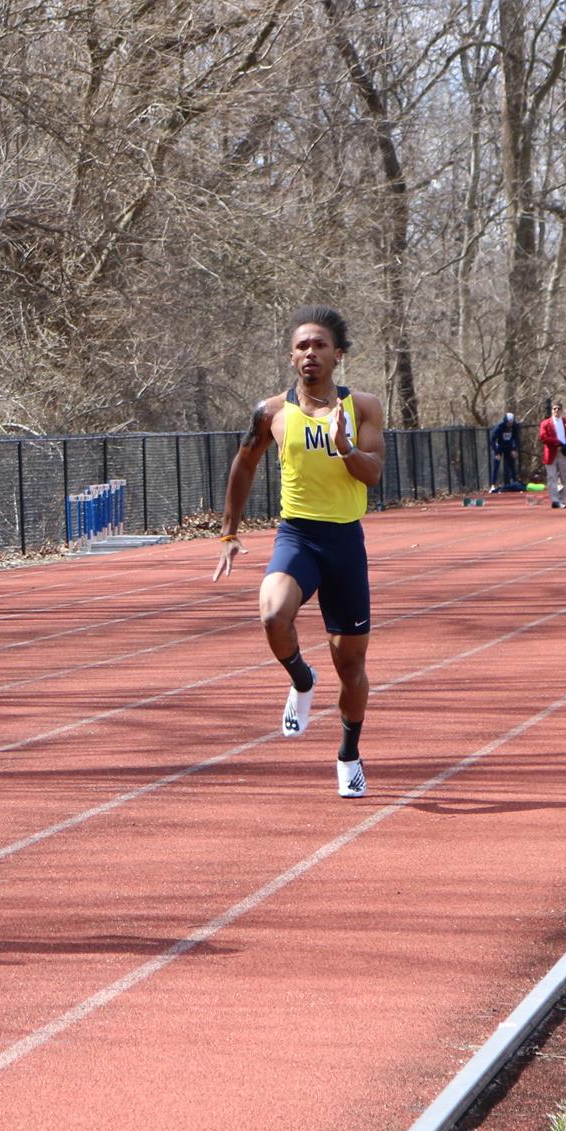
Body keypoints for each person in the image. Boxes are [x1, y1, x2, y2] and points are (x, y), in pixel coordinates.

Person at [213, 306, 385, 798]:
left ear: (338, 355)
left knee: (351, 669)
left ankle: (349, 753)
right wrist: (229, 532)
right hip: (298, 536)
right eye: (302, 346)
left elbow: (372, 474)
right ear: (292, 357)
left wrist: (346, 447)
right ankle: (300, 678)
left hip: (345, 544)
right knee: (272, 614)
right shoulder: (271, 412)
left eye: (320, 345)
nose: (310, 353)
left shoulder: (364, 407)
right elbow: (244, 464)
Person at [539, 400, 566, 508]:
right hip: (551, 452)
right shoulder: (545, 423)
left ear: (561, 410)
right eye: (554, 409)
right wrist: (557, 442)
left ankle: (562, 499)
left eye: (558, 409)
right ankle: (555, 500)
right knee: (552, 477)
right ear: (552, 410)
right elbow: (543, 437)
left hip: (563, 453)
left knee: (564, 477)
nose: (556, 411)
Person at [490, 412, 521, 491]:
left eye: (511, 422)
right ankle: (493, 485)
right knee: (496, 465)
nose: (509, 424)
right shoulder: (499, 427)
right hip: (500, 446)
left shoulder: (514, 427)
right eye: (508, 422)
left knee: (512, 465)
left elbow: (516, 438)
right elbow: (492, 440)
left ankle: (514, 483)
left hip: (509, 447)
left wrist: (514, 449)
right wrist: (496, 452)